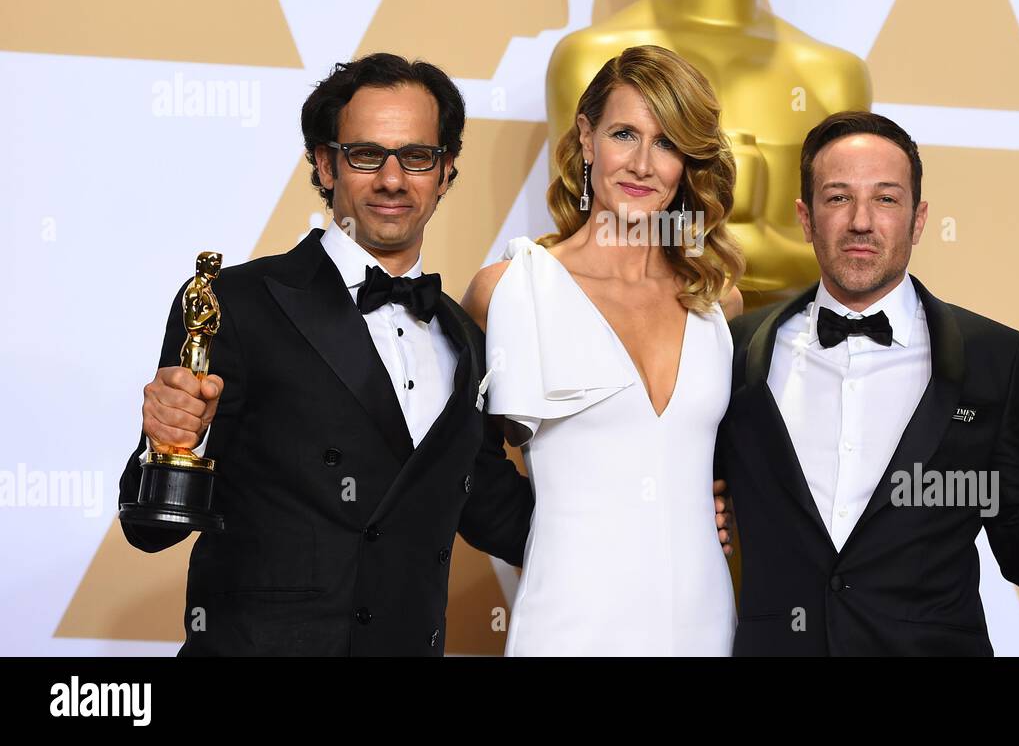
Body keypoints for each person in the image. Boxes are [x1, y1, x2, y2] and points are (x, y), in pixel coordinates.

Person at [718, 111, 1019, 656]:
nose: (862, 221)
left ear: (918, 219)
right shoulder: (735, 350)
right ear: (806, 217)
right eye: (838, 197)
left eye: (886, 199)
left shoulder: (993, 357)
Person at [121, 53, 534, 656]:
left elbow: (496, 511)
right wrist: (178, 442)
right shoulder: (235, 303)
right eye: (366, 155)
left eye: (416, 157)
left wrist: (662, 520)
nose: (392, 179)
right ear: (325, 163)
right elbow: (149, 530)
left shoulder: (465, 339)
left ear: (445, 171)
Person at [462, 44, 744, 655]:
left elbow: (727, 460)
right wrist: (552, 538)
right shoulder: (511, 292)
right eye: (625, 134)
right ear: (587, 140)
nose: (643, 163)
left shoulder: (718, 303)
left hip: (702, 619)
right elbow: (464, 471)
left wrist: (728, 506)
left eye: (667, 142)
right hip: (570, 619)